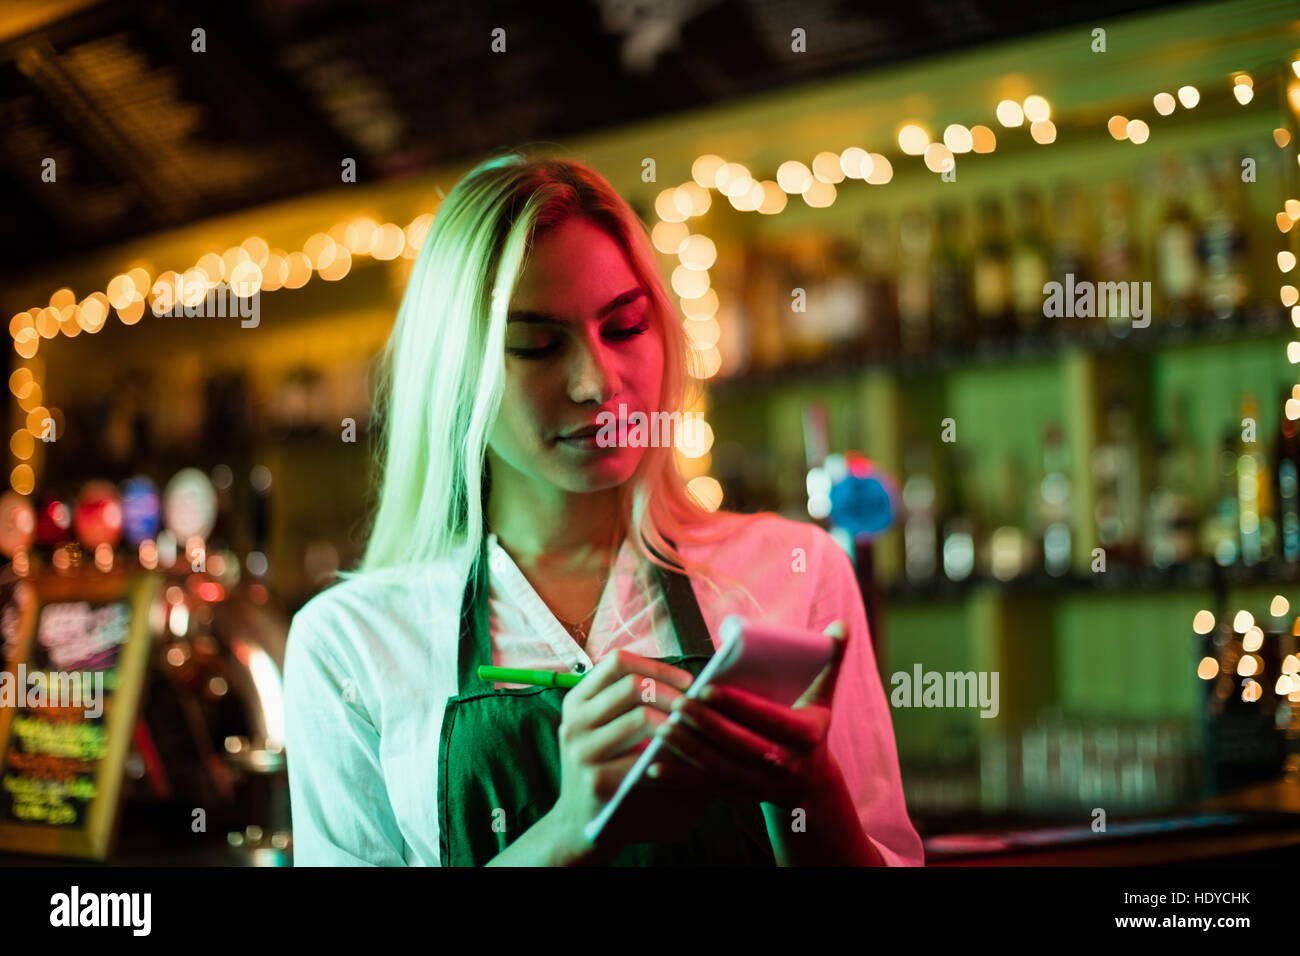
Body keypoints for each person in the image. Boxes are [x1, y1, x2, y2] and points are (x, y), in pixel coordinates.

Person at [283, 149, 925, 866]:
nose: (596, 383)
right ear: (453, 373)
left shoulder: (794, 570)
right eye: (536, 345)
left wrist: (811, 796)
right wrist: (570, 832)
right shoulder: (352, 643)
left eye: (624, 328)